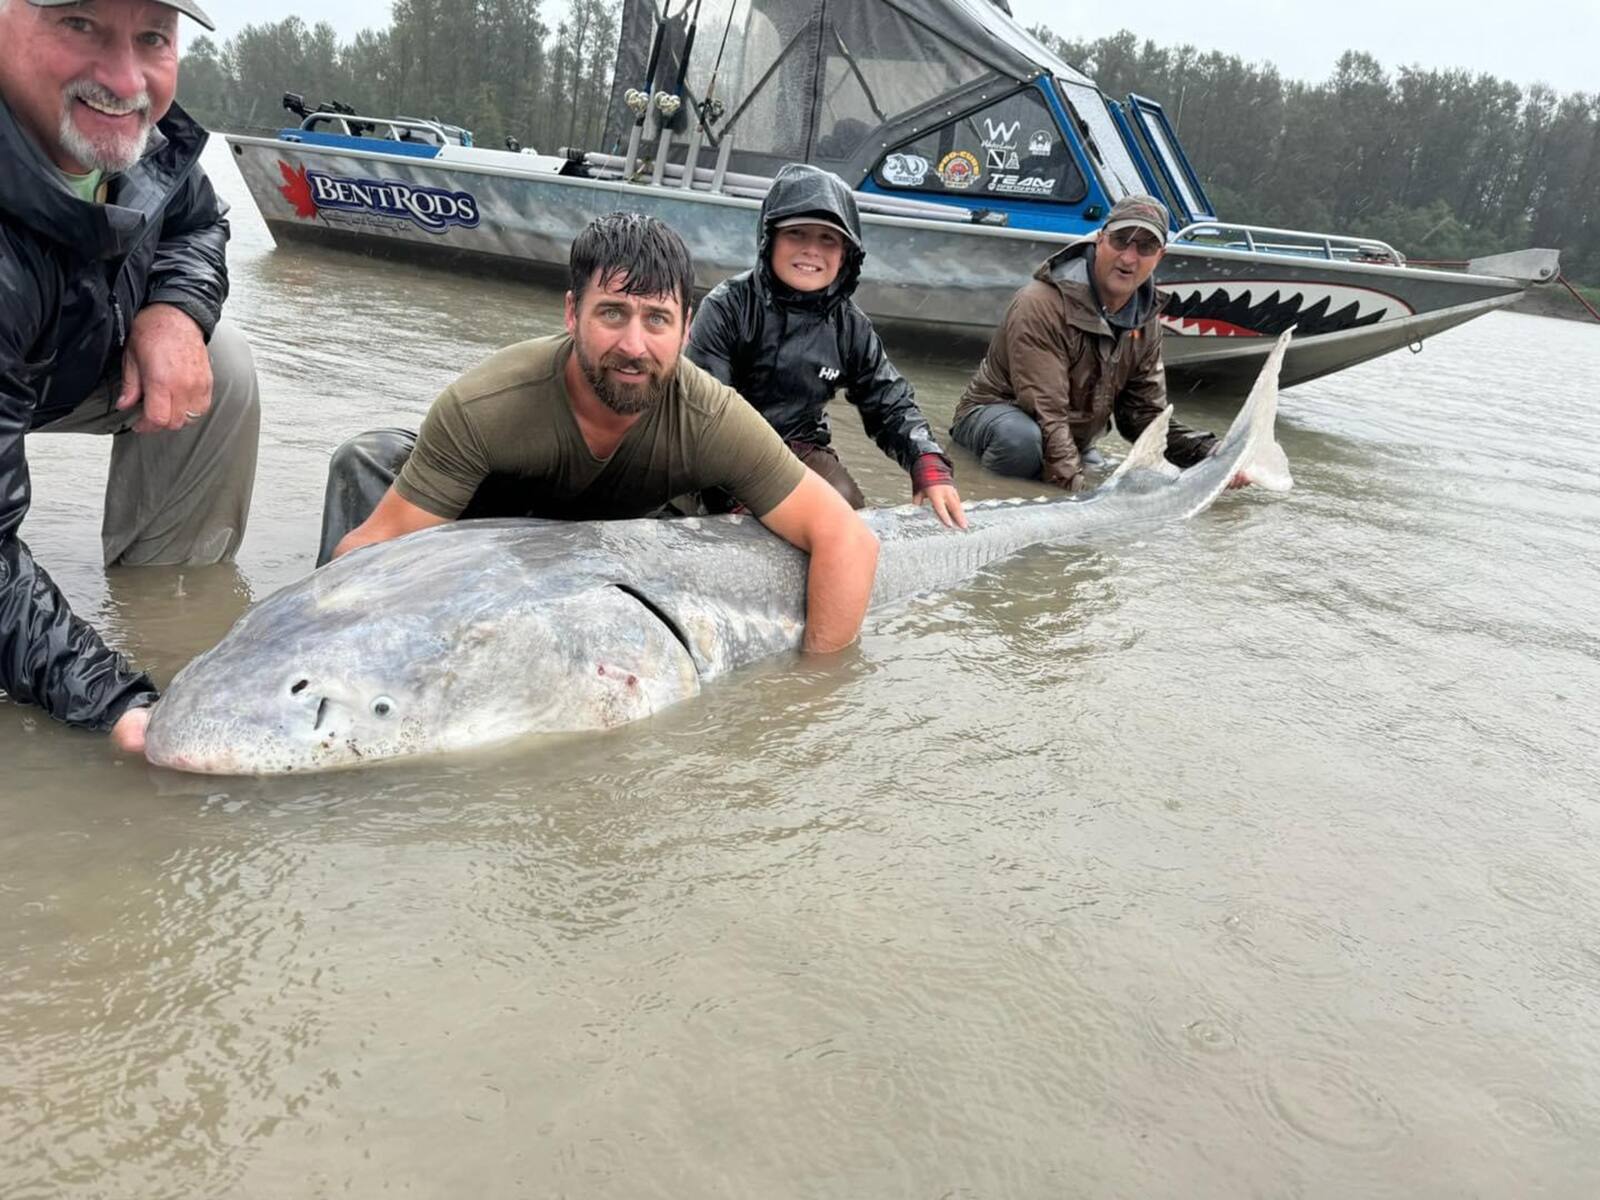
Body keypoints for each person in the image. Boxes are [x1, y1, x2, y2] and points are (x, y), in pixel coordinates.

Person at [319, 212, 880, 654]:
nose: (634, 346)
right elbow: (371, 550)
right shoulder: (484, 404)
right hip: (497, 516)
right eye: (612, 313)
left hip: (624, 534)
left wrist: (806, 699)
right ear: (572, 313)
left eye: (657, 319)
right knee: (368, 457)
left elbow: (846, 538)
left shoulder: (712, 416)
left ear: (687, 327)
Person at [0, 0, 261, 754]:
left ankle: (165, 606)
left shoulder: (140, 143)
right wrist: (114, 702)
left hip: (58, 352)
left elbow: (198, 221)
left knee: (226, 367)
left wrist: (175, 312)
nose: (124, 77)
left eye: (152, 38)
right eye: (78, 24)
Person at [687, 163, 967, 529]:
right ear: (769, 239)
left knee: (850, 513)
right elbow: (703, 414)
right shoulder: (726, 306)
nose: (811, 251)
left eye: (828, 239)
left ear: (846, 254)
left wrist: (926, 461)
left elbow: (890, 403)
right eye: (797, 233)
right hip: (724, 455)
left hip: (801, 448)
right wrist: (746, 493)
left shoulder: (850, 326)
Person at [950, 194, 1223, 492]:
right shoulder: (1040, 303)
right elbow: (1047, 412)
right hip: (998, 421)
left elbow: (1143, 418)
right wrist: (1075, 500)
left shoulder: (1146, 321)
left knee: (1100, 470)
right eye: (1121, 241)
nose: (1129, 258)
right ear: (1100, 240)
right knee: (1020, 443)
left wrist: (1210, 454)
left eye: (1145, 247)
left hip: (1073, 438)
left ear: (1160, 256)